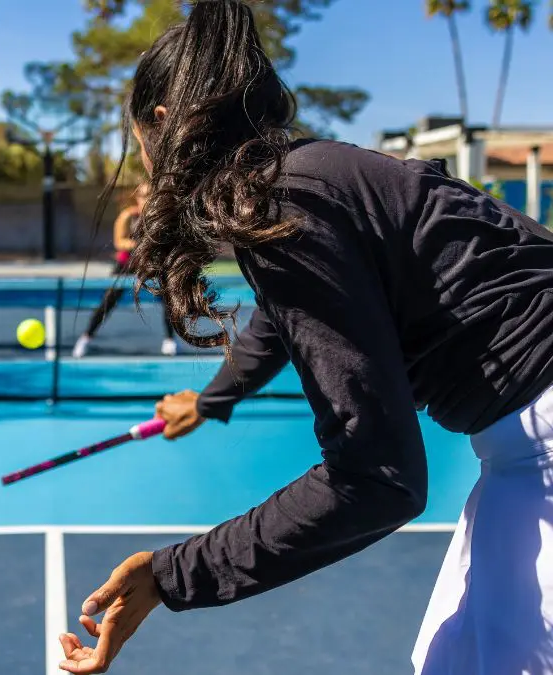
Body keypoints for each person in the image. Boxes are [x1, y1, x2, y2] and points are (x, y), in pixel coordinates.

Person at [57, 2, 553, 674]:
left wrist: (171, 576)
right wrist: (211, 399)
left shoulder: (288, 201)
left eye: (139, 138)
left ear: (166, 125)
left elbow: (375, 477)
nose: (143, 165)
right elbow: (280, 318)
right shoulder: (312, 178)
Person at [72, 182, 177, 358]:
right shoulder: (127, 216)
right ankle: (85, 338)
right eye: (144, 195)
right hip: (127, 265)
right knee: (108, 301)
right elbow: (119, 241)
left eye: (152, 195)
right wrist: (141, 244)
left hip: (151, 264)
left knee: (169, 300)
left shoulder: (160, 218)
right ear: (137, 198)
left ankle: (170, 340)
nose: (148, 199)